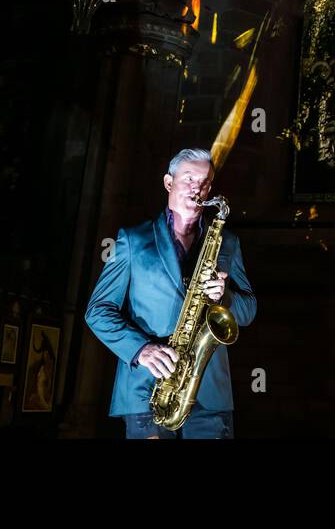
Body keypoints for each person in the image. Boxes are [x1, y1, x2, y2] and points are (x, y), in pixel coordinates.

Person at [86, 148, 257, 439]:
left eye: (205, 182)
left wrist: (225, 298)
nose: (198, 188)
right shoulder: (132, 239)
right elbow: (98, 311)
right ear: (168, 182)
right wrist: (142, 350)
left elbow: (249, 310)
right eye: (189, 178)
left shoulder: (227, 242)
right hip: (146, 389)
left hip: (209, 393)